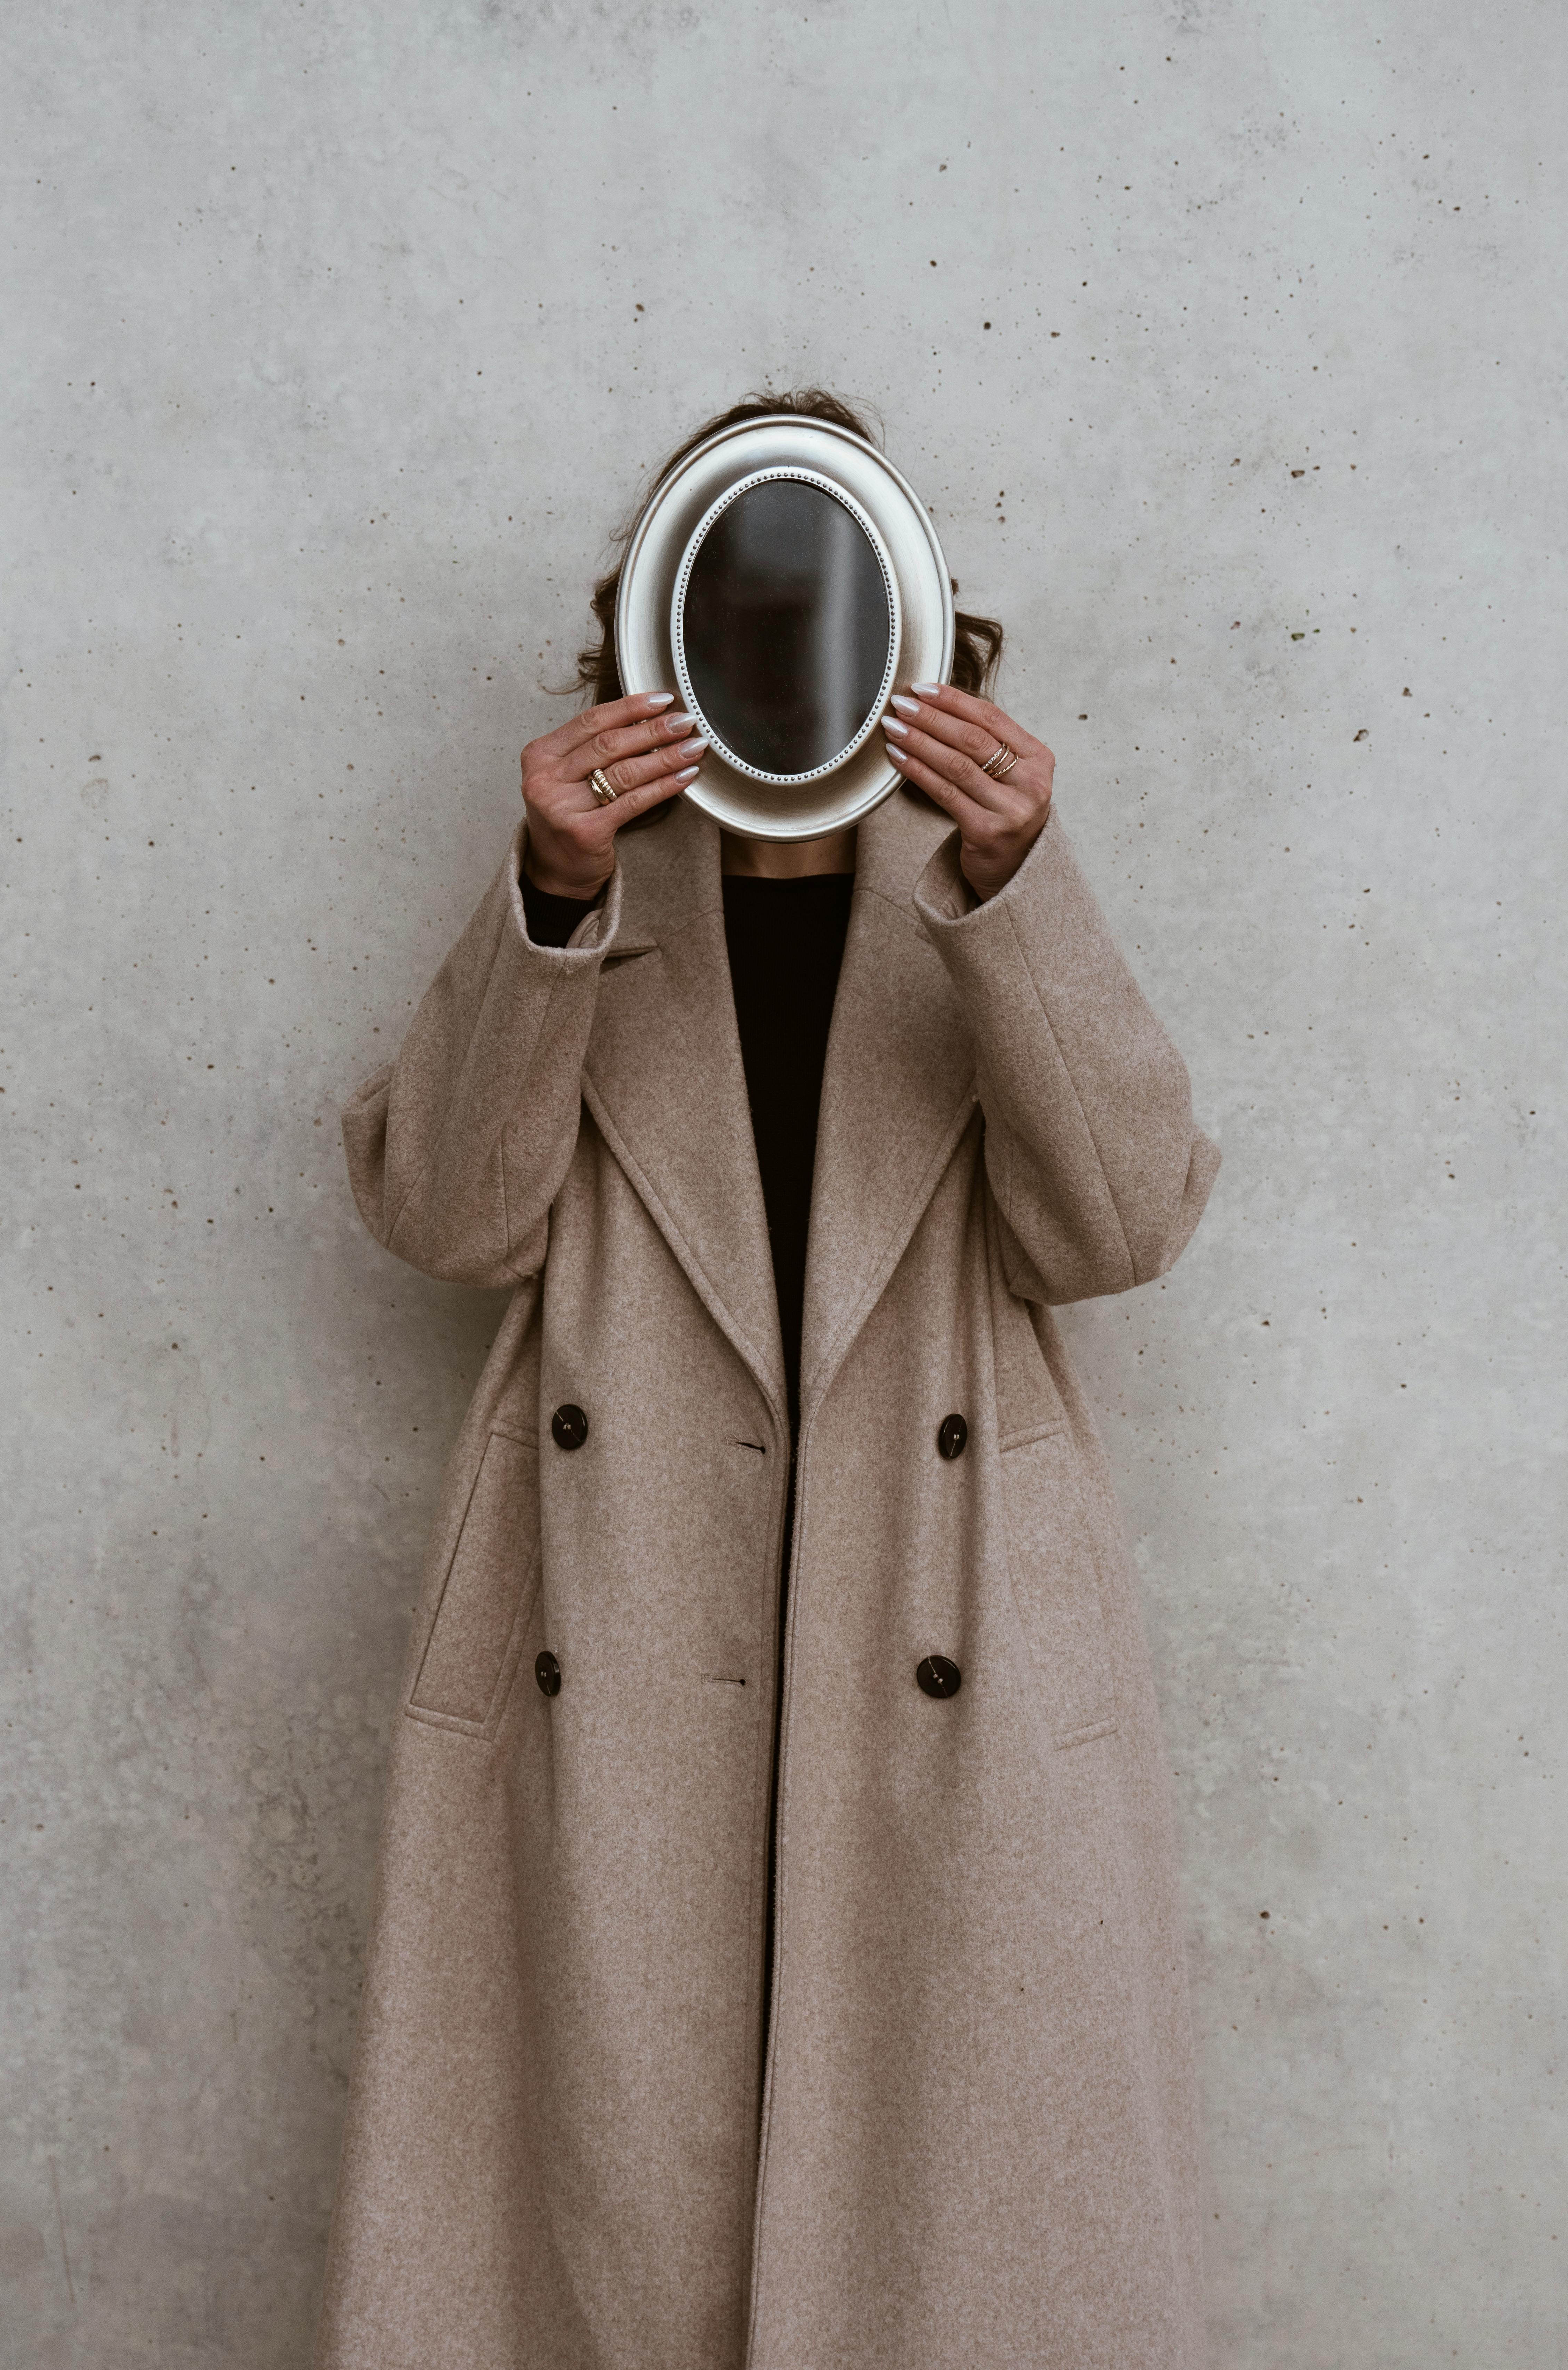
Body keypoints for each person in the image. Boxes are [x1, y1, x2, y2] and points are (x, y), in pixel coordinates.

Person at [317, 392, 1221, 2370]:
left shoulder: (970, 900)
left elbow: (1123, 1225)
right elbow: (445, 1217)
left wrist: (1019, 885)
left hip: (941, 1636)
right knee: (602, 2245)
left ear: (905, 611)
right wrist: (548, 891)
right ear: (656, 611)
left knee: (951, 2261)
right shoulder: (593, 893)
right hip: (622, 1620)